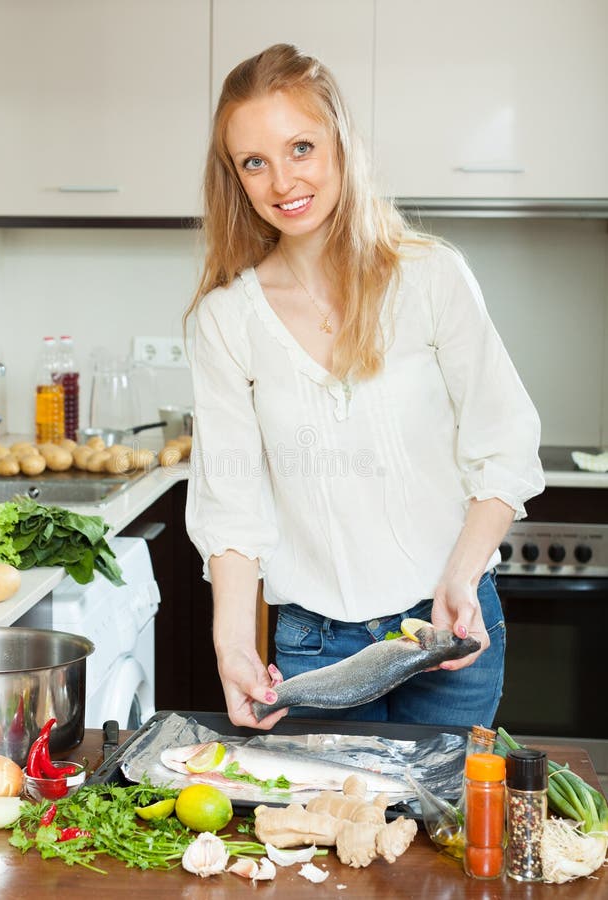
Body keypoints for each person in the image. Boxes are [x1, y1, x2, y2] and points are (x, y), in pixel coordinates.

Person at [184, 44, 544, 732]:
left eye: (300, 147)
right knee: (321, 836)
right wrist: (233, 645)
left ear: (341, 145)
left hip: (446, 628)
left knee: (444, 836)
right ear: (234, 178)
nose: (281, 180)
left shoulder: (431, 277)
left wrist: (460, 579)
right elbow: (230, 507)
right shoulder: (226, 319)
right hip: (313, 649)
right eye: (253, 162)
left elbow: (504, 446)